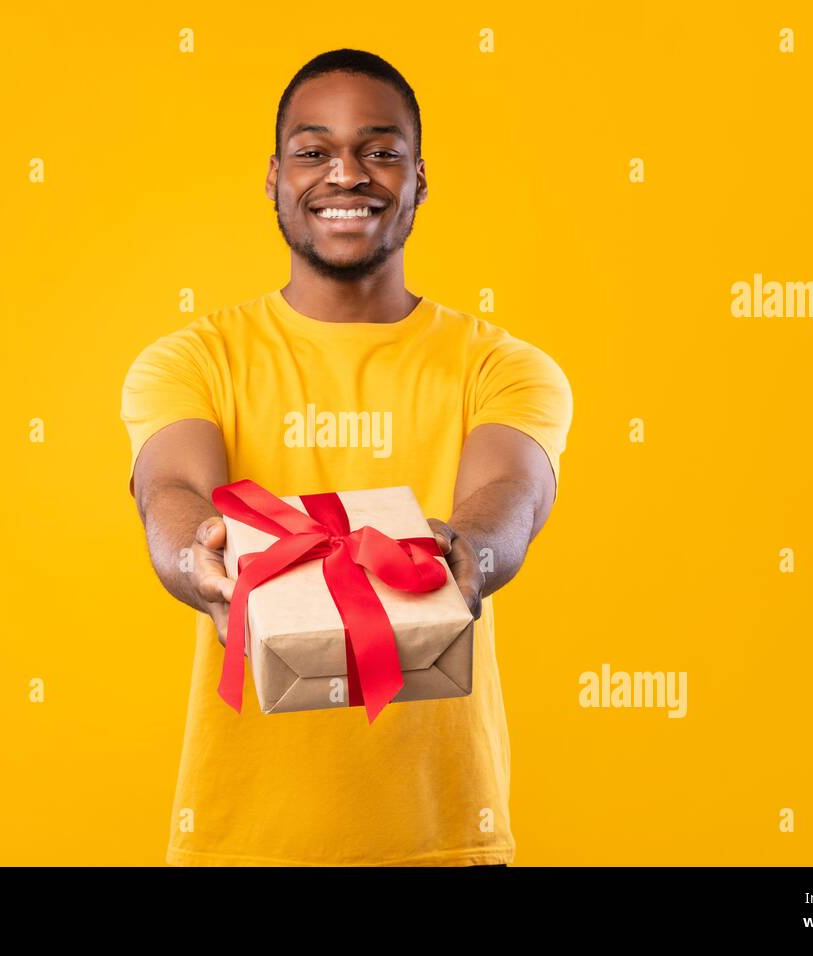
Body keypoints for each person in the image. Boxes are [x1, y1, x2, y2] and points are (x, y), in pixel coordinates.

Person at [121, 48, 573, 866]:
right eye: (314, 150)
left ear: (419, 178)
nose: (347, 174)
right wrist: (198, 558)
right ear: (273, 176)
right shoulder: (191, 359)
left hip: (448, 844)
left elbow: (513, 487)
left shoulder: (501, 365)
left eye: (380, 150)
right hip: (238, 844)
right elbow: (172, 487)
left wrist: (469, 551)